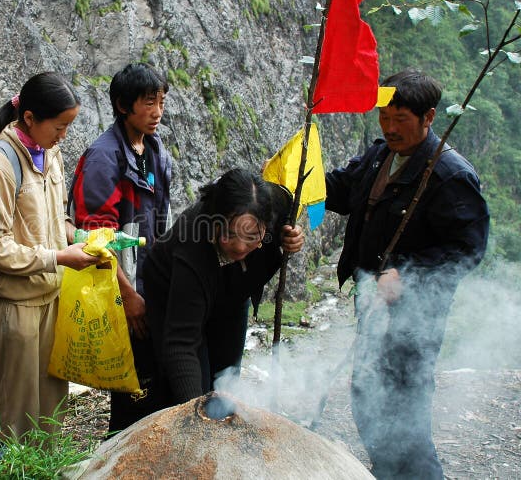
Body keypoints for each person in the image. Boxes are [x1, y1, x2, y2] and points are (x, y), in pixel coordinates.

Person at [325, 70, 490, 479]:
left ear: (428, 117)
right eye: (385, 117)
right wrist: (299, 180)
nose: (390, 128)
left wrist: (408, 275)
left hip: (414, 319)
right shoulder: (381, 155)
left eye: (401, 119)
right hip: (374, 304)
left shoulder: (449, 175)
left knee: (403, 417)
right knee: (367, 399)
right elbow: (344, 191)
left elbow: (467, 248)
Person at [0, 72, 101, 441]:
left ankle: (48, 465)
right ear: (29, 118)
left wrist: (84, 239)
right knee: (16, 413)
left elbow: (56, 218)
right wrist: (58, 258)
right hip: (15, 305)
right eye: (59, 126)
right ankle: (15, 466)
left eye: (68, 126)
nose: (64, 135)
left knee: (51, 409)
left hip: (52, 298)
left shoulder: (51, 153)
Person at [139, 168, 304, 420]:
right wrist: (195, 415)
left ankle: (222, 426)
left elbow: (290, 222)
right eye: (229, 234)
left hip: (231, 293)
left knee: (226, 378)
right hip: (173, 291)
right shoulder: (192, 243)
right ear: (215, 221)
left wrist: (292, 238)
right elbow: (182, 344)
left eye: (252, 237)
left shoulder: (277, 210)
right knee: (190, 381)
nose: (239, 246)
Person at [67, 62, 172, 432]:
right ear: (123, 105)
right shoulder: (104, 157)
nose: (157, 112)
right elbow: (94, 239)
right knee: (132, 393)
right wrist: (126, 296)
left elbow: (160, 221)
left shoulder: (154, 150)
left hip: (149, 283)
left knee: (153, 382)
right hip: (122, 290)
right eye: (148, 102)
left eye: (161, 102)